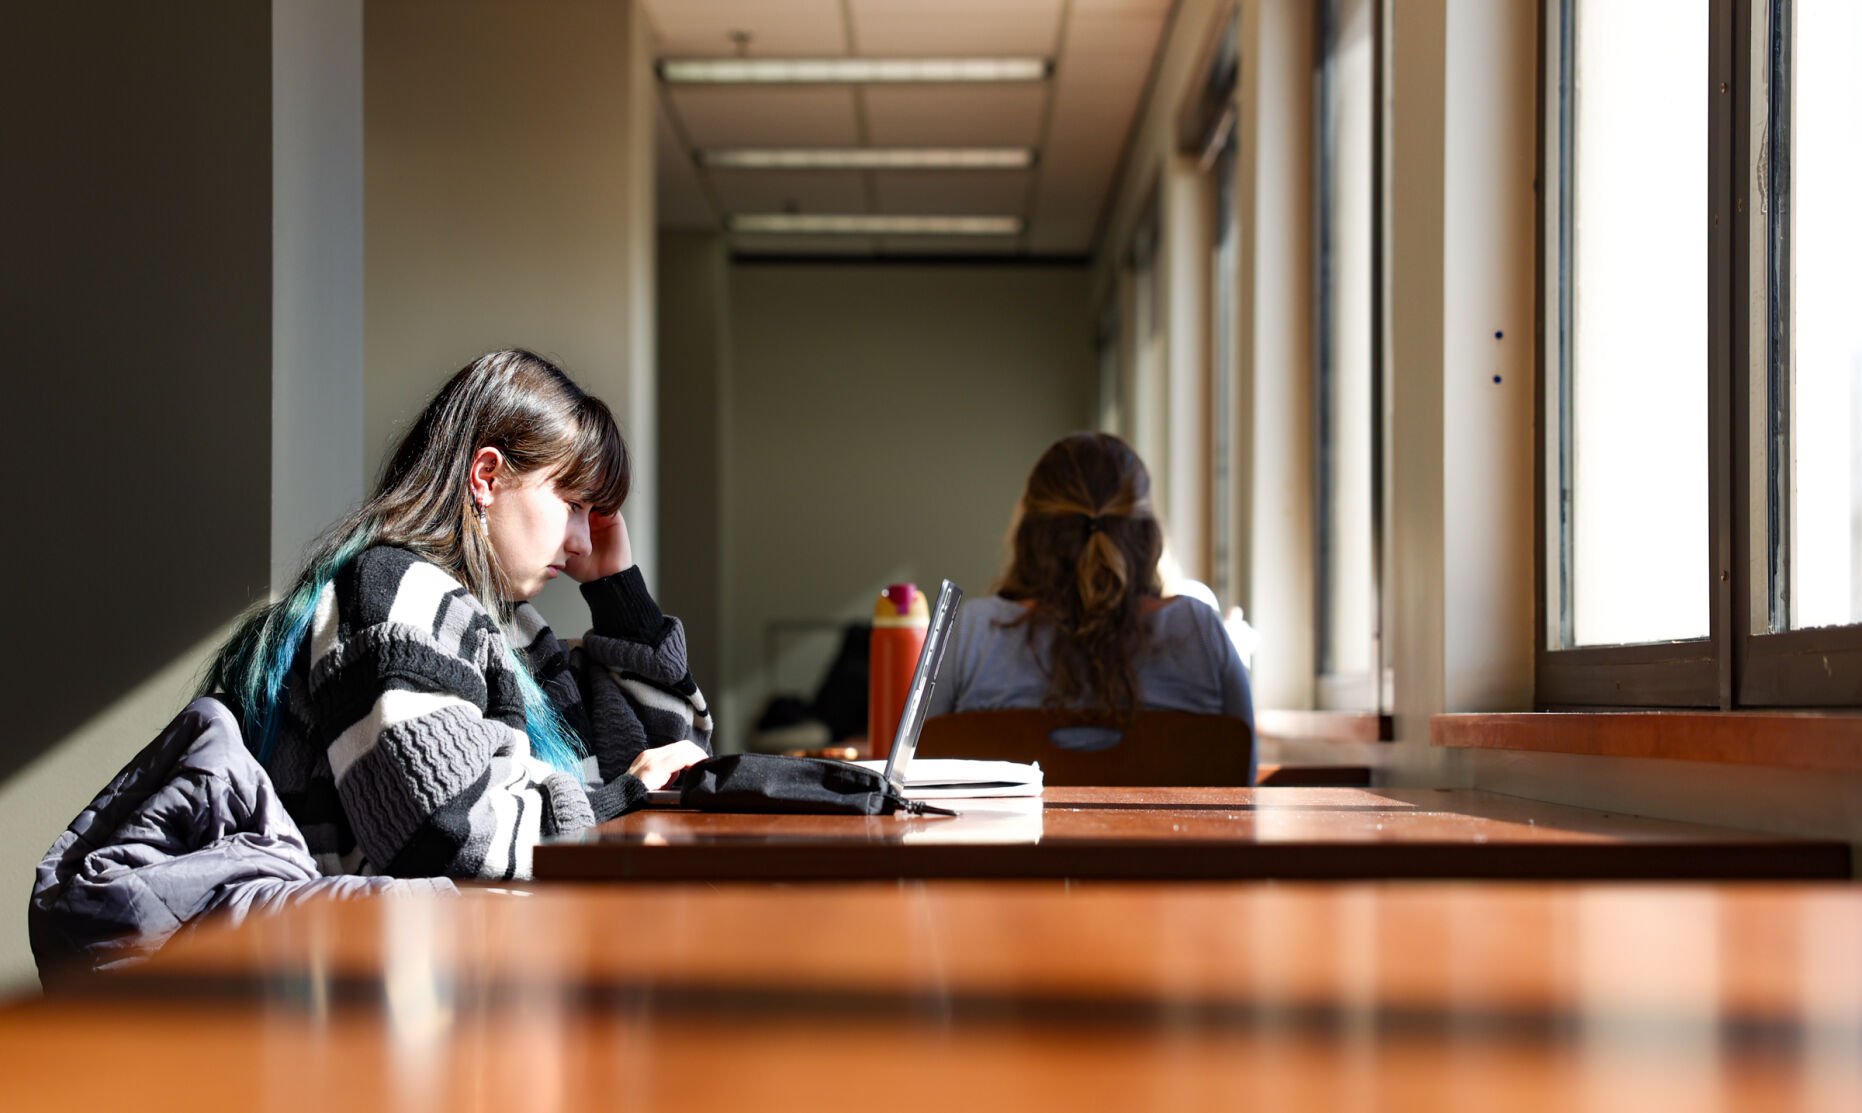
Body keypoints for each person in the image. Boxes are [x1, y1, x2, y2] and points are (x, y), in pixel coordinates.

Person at [201, 349, 710, 881]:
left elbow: (676, 766)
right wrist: (616, 804)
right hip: (373, 956)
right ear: (486, 475)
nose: (583, 543)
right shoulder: (397, 594)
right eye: (572, 504)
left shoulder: (512, 630)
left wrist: (619, 595)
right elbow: (440, 826)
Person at [924, 432, 1254, 777]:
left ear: (1030, 526)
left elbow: (914, 775)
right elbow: (1244, 776)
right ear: (1146, 532)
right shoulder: (1200, 630)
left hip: (1013, 834)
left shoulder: (973, 630)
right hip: (1172, 833)